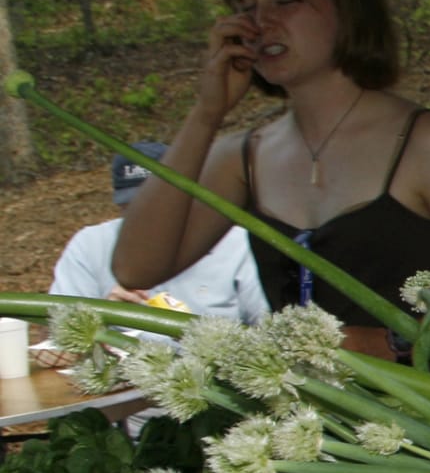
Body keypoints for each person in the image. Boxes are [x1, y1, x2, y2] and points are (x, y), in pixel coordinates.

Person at [112, 0, 430, 360]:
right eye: (245, 6)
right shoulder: (243, 157)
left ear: (347, 7)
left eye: (283, 0)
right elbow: (136, 267)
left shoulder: (428, 144)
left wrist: (387, 343)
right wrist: (206, 113)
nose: (259, 24)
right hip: (297, 417)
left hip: (416, 416)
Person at [45, 143, 268, 337]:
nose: (146, 218)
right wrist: (102, 317)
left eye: (159, 204)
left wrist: (199, 337)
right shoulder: (90, 245)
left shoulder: (236, 244)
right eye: (133, 208)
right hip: (122, 381)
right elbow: (59, 341)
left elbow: (275, 336)